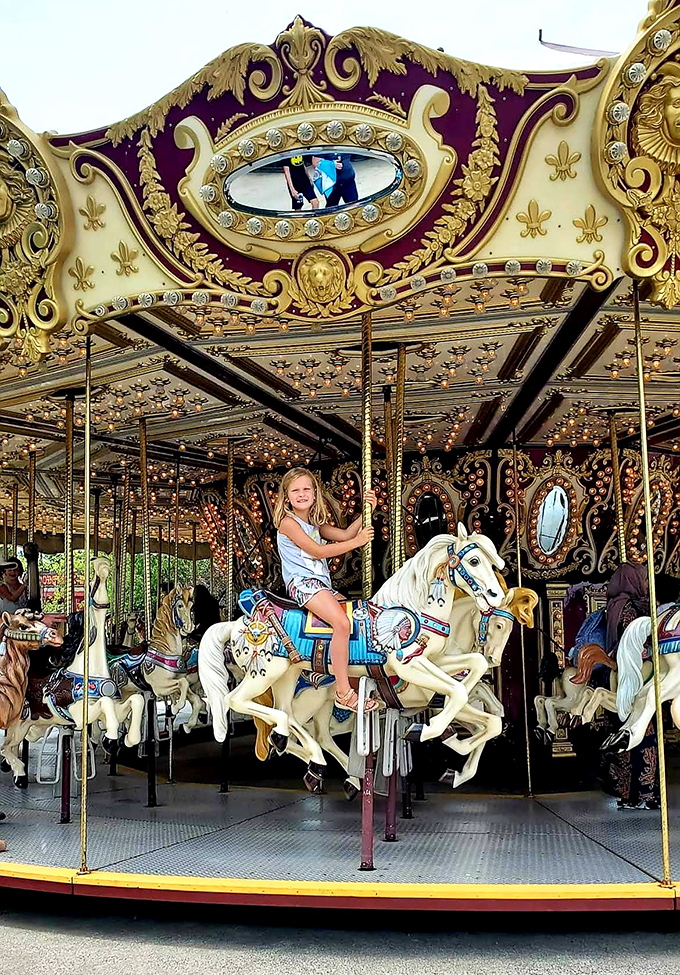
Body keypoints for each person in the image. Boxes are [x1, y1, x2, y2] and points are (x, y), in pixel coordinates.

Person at [274, 467, 376, 713]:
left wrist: (367, 511)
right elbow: (318, 551)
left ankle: (351, 678)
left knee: (359, 617)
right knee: (342, 623)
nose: (302, 494)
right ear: (286, 496)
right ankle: (343, 692)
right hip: (302, 584)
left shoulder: (315, 524)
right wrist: (357, 543)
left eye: (306, 489)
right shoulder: (288, 523)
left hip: (322, 586)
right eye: (295, 490)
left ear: (315, 493)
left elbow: (344, 534)